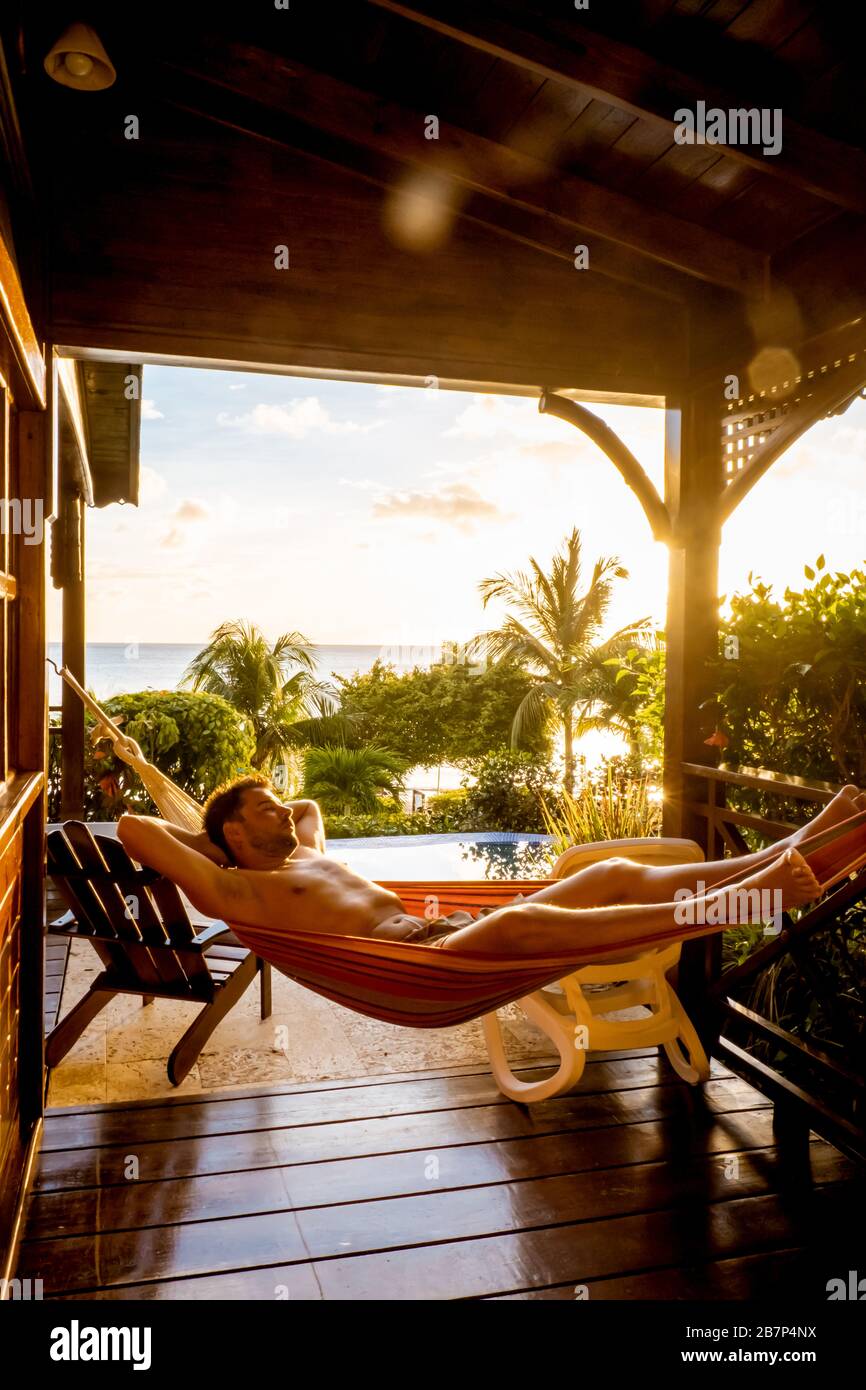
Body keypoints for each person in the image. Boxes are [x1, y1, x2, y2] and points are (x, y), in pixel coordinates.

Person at [116, 776, 865, 958]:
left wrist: (265, 815)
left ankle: (780, 852)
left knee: (609, 874)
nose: (285, 811)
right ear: (233, 835)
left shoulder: (306, 851)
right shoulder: (235, 889)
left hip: (453, 930)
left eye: (277, 802)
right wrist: (212, 841)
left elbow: (309, 806)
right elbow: (132, 824)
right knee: (539, 914)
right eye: (265, 808)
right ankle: (747, 899)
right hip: (424, 958)